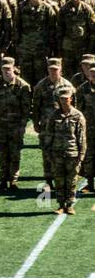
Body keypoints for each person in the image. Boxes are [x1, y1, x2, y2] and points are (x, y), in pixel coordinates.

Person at [0, 58, 31, 190]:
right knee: (2, 153)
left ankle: (13, 180)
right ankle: (3, 179)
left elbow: (26, 109)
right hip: (0, 125)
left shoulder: (23, 86)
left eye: (9, 69)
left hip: (16, 126)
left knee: (15, 153)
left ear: (14, 69)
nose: (6, 72)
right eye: (4, 69)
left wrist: (22, 125)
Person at [45, 86, 86, 215]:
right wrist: (48, 152)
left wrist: (81, 156)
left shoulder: (78, 116)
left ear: (71, 99)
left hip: (72, 153)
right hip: (57, 153)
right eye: (62, 99)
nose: (64, 101)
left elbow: (82, 137)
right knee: (59, 179)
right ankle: (61, 205)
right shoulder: (54, 115)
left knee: (72, 180)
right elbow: (49, 135)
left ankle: (69, 205)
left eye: (66, 99)